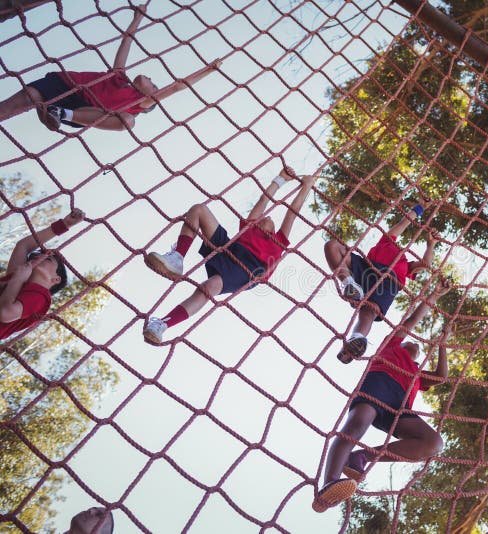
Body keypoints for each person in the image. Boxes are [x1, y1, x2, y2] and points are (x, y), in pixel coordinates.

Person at [313, 277, 452, 512]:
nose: (415, 345)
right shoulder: (391, 345)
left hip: (399, 407)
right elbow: (413, 319)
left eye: (418, 349)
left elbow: (441, 376)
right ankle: (329, 484)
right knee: (355, 426)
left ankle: (362, 457)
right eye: (412, 343)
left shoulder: (417, 373)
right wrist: (434, 296)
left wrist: (442, 344)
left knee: (434, 443)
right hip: (379, 384)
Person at [142, 168, 315, 344]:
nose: (269, 216)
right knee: (198, 209)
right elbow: (264, 199)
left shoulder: (279, 241)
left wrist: (306, 186)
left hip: (249, 268)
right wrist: (280, 180)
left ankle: (161, 325)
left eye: (271, 219)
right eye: (265, 216)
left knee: (208, 287)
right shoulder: (250, 226)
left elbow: (292, 213)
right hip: (230, 248)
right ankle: (177, 258)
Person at [0, 5, 222, 132]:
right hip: (64, 84)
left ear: (150, 96)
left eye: (153, 84)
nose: (151, 79)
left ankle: (59, 113)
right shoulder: (119, 76)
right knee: (14, 105)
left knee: (128, 122)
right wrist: (137, 18)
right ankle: (48, 111)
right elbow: (126, 42)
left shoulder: (138, 103)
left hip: (84, 110)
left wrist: (209, 70)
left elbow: (176, 87)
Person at [324, 203, 437, 363]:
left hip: (389, 281)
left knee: (370, 311)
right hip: (368, 268)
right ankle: (348, 283)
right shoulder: (387, 241)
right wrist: (419, 208)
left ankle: (354, 341)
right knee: (332, 246)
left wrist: (430, 245)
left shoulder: (406, 265)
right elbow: (402, 223)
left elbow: (425, 264)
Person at [0, 208, 85, 340]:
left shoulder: (41, 296)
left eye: (48, 259)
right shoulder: (18, 277)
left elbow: (5, 313)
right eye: (38, 255)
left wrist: (17, 278)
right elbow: (23, 246)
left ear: (56, 279)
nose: (40, 257)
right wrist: (64, 224)